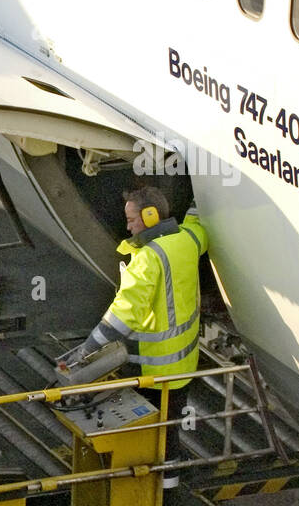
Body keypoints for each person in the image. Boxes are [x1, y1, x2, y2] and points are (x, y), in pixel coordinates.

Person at [77, 187, 209, 490]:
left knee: (147, 436)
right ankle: (169, 489)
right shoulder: (187, 240)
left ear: (150, 217)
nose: (128, 227)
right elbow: (197, 225)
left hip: (152, 372)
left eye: (132, 219)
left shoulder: (148, 258)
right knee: (169, 433)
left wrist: (88, 350)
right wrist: (201, 192)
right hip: (183, 367)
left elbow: (125, 314)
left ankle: (155, 497)